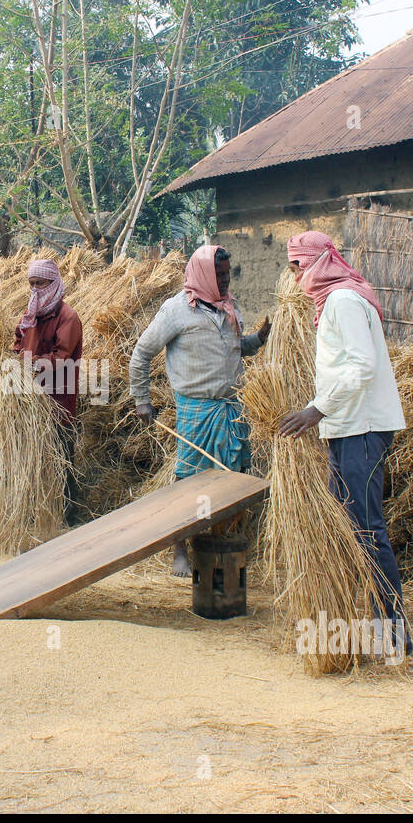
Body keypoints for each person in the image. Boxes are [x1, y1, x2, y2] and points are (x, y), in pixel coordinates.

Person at [276, 230, 412, 660]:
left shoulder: (343, 301)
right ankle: (375, 623)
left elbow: (362, 366)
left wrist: (316, 409)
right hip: (348, 427)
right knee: (355, 526)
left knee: (369, 529)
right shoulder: (334, 300)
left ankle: (393, 632)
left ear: (316, 263)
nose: (295, 275)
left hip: (362, 429)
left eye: (297, 265)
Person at [130, 244, 270, 575]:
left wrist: (259, 338)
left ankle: (221, 541)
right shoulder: (177, 310)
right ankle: (180, 548)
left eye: (227, 275)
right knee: (189, 479)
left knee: (231, 477)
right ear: (204, 273)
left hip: (232, 408)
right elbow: (142, 353)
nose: (224, 281)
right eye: (218, 275)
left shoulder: (228, 309)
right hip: (196, 408)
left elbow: (238, 350)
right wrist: (141, 399)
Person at [12, 258, 84, 524]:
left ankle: (67, 514)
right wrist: (13, 356)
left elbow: (62, 357)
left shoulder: (68, 317)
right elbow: (18, 341)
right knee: (35, 456)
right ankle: (37, 512)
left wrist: (29, 364)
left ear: (53, 283)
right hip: (31, 399)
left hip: (58, 399)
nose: (35, 290)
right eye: (31, 284)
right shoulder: (30, 314)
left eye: (39, 283)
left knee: (61, 455)